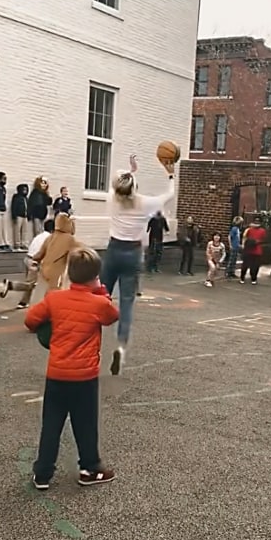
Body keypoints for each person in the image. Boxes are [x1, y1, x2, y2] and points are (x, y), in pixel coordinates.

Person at [24, 247, 120, 489]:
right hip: (84, 377)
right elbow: (112, 315)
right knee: (85, 424)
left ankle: (43, 473)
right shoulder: (99, 303)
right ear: (96, 275)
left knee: (51, 424)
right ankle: (89, 468)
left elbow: (31, 320)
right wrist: (100, 291)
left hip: (56, 374)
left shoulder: (54, 299)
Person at [101, 154, 175, 375]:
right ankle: (121, 348)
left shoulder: (112, 199)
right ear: (135, 187)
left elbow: (118, 184)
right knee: (126, 303)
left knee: (97, 297)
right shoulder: (146, 203)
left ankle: (90, 343)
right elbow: (169, 194)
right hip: (132, 253)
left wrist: (131, 170)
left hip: (114, 250)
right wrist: (170, 173)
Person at [1, 218, 53, 309]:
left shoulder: (39, 236)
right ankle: (11, 285)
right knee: (31, 284)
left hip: (27, 258)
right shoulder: (49, 238)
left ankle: (23, 302)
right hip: (34, 261)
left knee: (30, 282)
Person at [32, 213, 81, 292]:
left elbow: (39, 255)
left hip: (44, 270)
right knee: (55, 293)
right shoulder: (70, 239)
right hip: (57, 273)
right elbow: (80, 254)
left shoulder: (50, 237)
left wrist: (34, 259)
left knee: (44, 293)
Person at [238, 217, 267, 285]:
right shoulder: (252, 230)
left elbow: (245, 238)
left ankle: (244, 278)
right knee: (252, 266)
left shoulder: (250, 229)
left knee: (248, 265)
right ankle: (252, 279)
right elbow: (264, 240)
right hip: (254, 250)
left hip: (252, 250)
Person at [10, 183, 30, 251]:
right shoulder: (16, 197)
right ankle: (17, 244)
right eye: (23, 189)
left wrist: (29, 215)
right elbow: (14, 207)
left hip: (25, 216)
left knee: (25, 231)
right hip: (19, 216)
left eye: (26, 189)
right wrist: (14, 216)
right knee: (17, 231)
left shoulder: (26, 198)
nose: (25, 191)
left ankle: (24, 244)